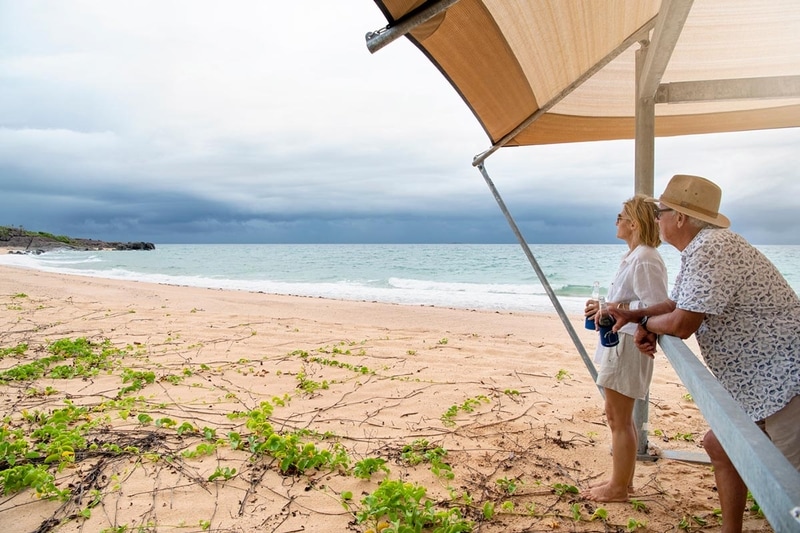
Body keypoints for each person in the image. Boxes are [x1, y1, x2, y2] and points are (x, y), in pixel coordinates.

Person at [610, 174, 800, 533]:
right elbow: (676, 304)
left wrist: (647, 323)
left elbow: (682, 323)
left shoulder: (713, 247)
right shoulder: (699, 249)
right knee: (720, 446)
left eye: (660, 213)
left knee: (792, 488)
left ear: (680, 218)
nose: (656, 220)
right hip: (757, 385)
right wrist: (637, 317)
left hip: (785, 379)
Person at [583, 195, 668, 502]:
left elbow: (656, 305)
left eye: (620, 217)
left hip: (629, 345)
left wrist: (615, 308)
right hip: (620, 341)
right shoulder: (636, 256)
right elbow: (634, 302)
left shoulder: (645, 257)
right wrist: (605, 307)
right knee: (619, 417)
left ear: (634, 223)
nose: (616, 222)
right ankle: (623, 481)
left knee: (618, 418)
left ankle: (618, 488)